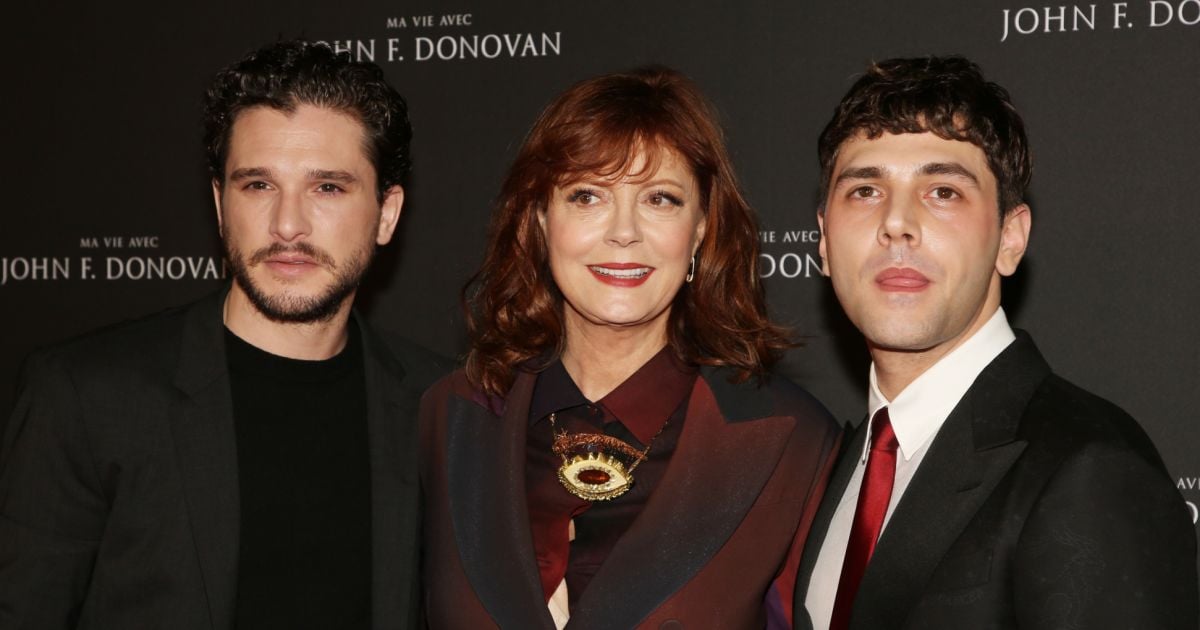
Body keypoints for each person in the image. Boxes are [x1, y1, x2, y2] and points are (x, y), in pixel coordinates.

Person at [0, 40, 446, 629]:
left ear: (386, 214)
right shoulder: (86, 397)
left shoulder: (442, 407)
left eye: (328, 188)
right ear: (219, 203)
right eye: (258, 185)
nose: (288, 224)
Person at [419, 66, 840, 629]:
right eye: (587, 196)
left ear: (700, 229)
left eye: (659, 199)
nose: (624, 231)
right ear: (541, 220)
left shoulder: (791, 443)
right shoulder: (451, 417)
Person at [793, 55, 1198, 630]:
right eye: (864, 190)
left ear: (1010, 238)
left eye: (942, 191)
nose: (896, 222)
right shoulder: (841, 462)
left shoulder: (1090, 467)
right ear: (823, 242)